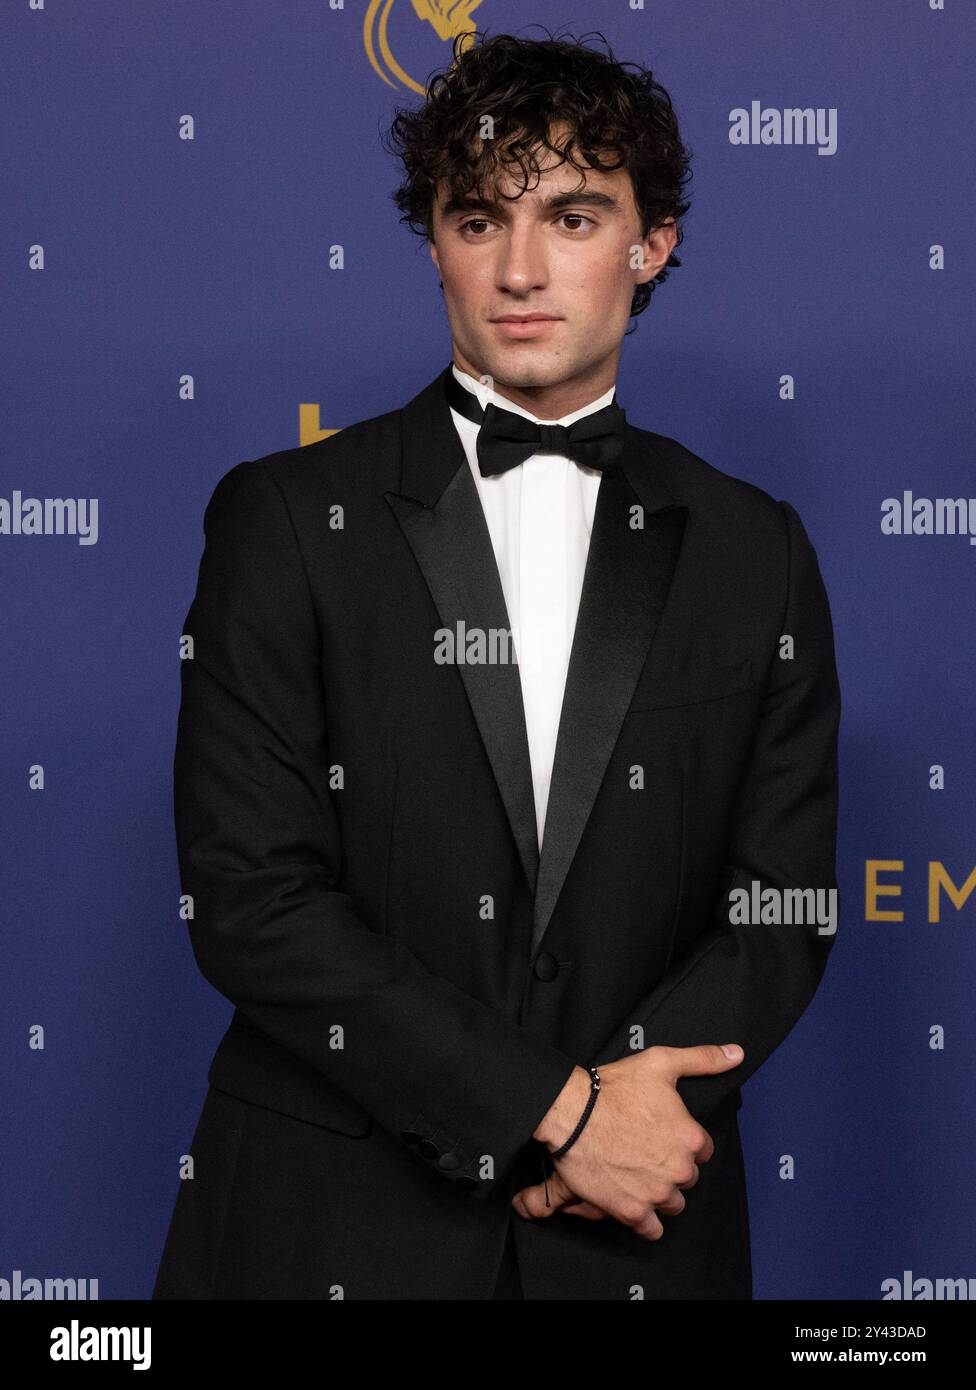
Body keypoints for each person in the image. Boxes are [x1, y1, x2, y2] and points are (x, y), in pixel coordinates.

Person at [152, 31, 840, 1301]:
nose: (519, 269)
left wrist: (623, 1122)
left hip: (635, 1239)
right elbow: (250, 899)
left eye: (573, 216)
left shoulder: (758, 551)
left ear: (653, 247)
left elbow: (779, 906)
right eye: (479, 218)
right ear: (435, 243)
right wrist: (561, 1112)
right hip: (329, 1232)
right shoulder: (289, 520)